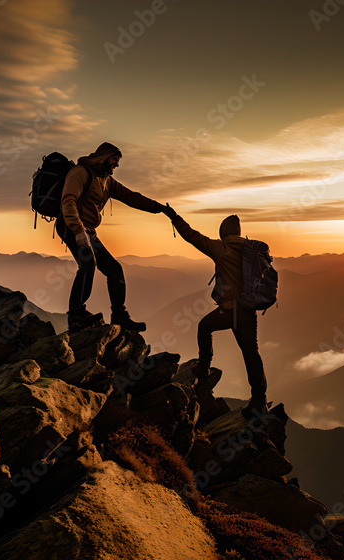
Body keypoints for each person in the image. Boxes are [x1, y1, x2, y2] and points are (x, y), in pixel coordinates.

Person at [165, 209, 268, 417]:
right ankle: (259, 400)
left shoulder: (221, 248)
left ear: (224, 233)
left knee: (204, 326)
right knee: (251, 353)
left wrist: (175, 217)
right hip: (248, 312)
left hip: (230, 310)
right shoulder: (250, 250)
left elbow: (193, 236)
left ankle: (204, 366)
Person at [57, 142, 170, 332]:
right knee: (87, 263)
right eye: (114, 161)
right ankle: (76, 315)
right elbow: (68, 201)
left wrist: (160, 208)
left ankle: (119, 315)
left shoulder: (106, 181)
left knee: (114, 269)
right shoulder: (80, 172)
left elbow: (132, 197)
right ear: (104, 157)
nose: (116, 165)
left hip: (89, 230)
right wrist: (77, 230)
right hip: (71, 226)